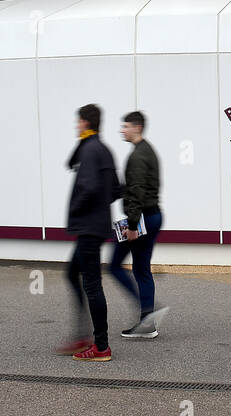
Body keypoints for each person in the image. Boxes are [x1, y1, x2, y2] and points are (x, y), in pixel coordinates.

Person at [59, 104, 123, 362]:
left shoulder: (92, 150)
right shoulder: (101, 149)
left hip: (88, 227)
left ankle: (101, 346)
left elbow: (88, 187)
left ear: (85, 123)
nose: (76, 126)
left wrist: (77, 209)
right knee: (72, 274)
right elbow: (115, 190)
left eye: (78, 122)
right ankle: (84, 336)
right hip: (95, 227)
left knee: (92, 285)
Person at [109, 111, 169, 338]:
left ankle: (148, 316)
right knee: (142, 268)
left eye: (125, 126)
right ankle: (148, 322)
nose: (122, 130)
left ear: (137, 127)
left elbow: (136, 193)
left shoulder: (137, 157)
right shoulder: (148, 150)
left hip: (141, 219)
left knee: (115, 265)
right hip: (152, 216)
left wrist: (132, 226)